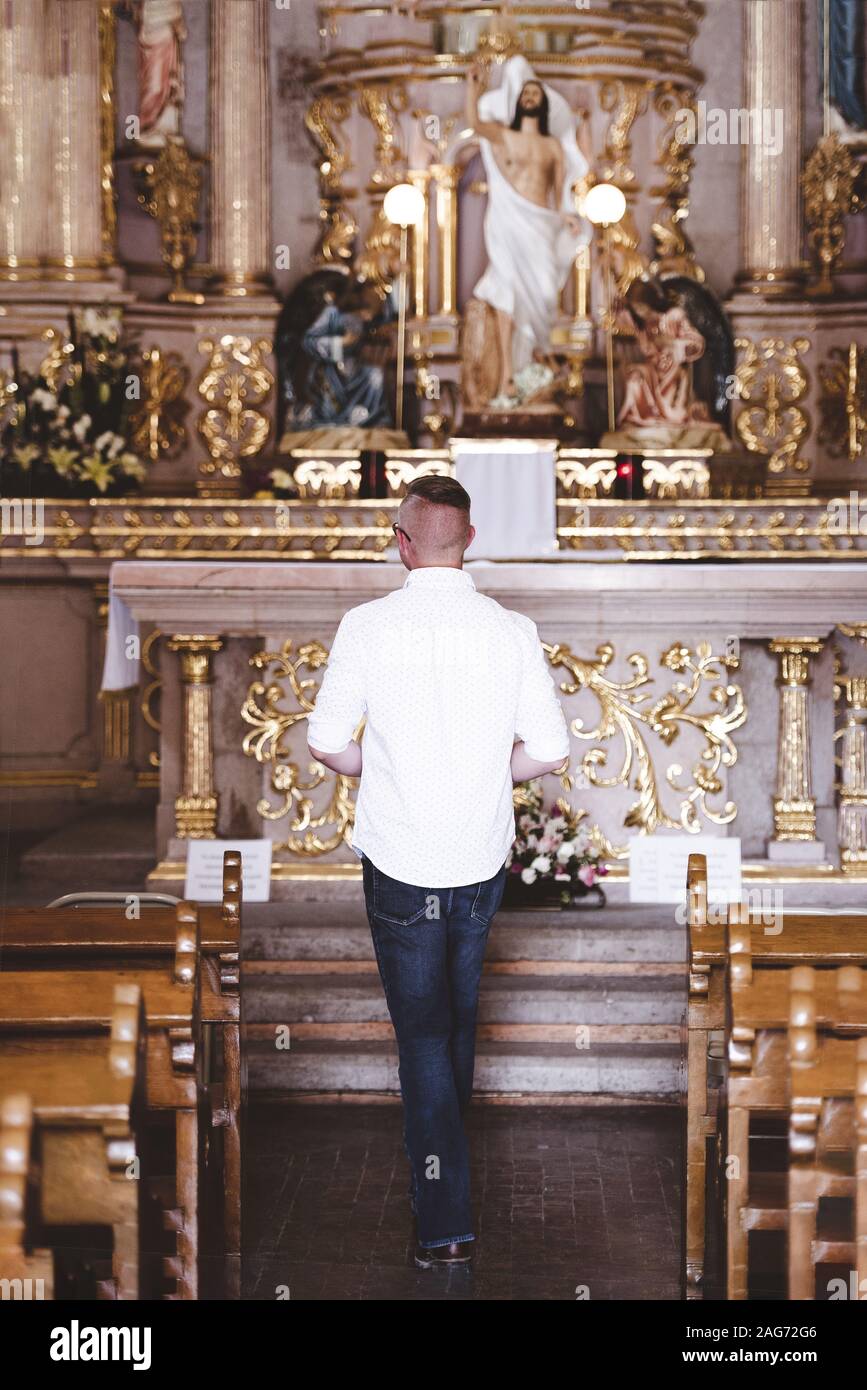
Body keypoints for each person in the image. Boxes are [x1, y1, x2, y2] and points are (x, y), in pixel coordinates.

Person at [307, 475, 570, 1267]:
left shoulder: (367, 624)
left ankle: (444, 1217)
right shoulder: (510, 629)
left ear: (401, 540)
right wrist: (493, 776)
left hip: (401, 855)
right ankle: (443, 1168)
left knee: (423, 1033)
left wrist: (373, 771)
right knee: (454, 1020)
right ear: (470, 538)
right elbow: (551, 751)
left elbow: (324, 740)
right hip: (477, 855)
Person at [466, 55, 590, 401]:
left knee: (546, 292)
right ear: (518, 101)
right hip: (509, 218)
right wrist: (473, 86)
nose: (531, 97)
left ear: (544, 102)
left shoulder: (553, 146)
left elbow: (561, 188)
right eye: (526, 93)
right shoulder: (504, 135)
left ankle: (533, 362)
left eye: (536, 93)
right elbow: (475, 123)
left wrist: (567, 215)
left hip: (540, 222)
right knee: (507, 291)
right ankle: (507, 375)